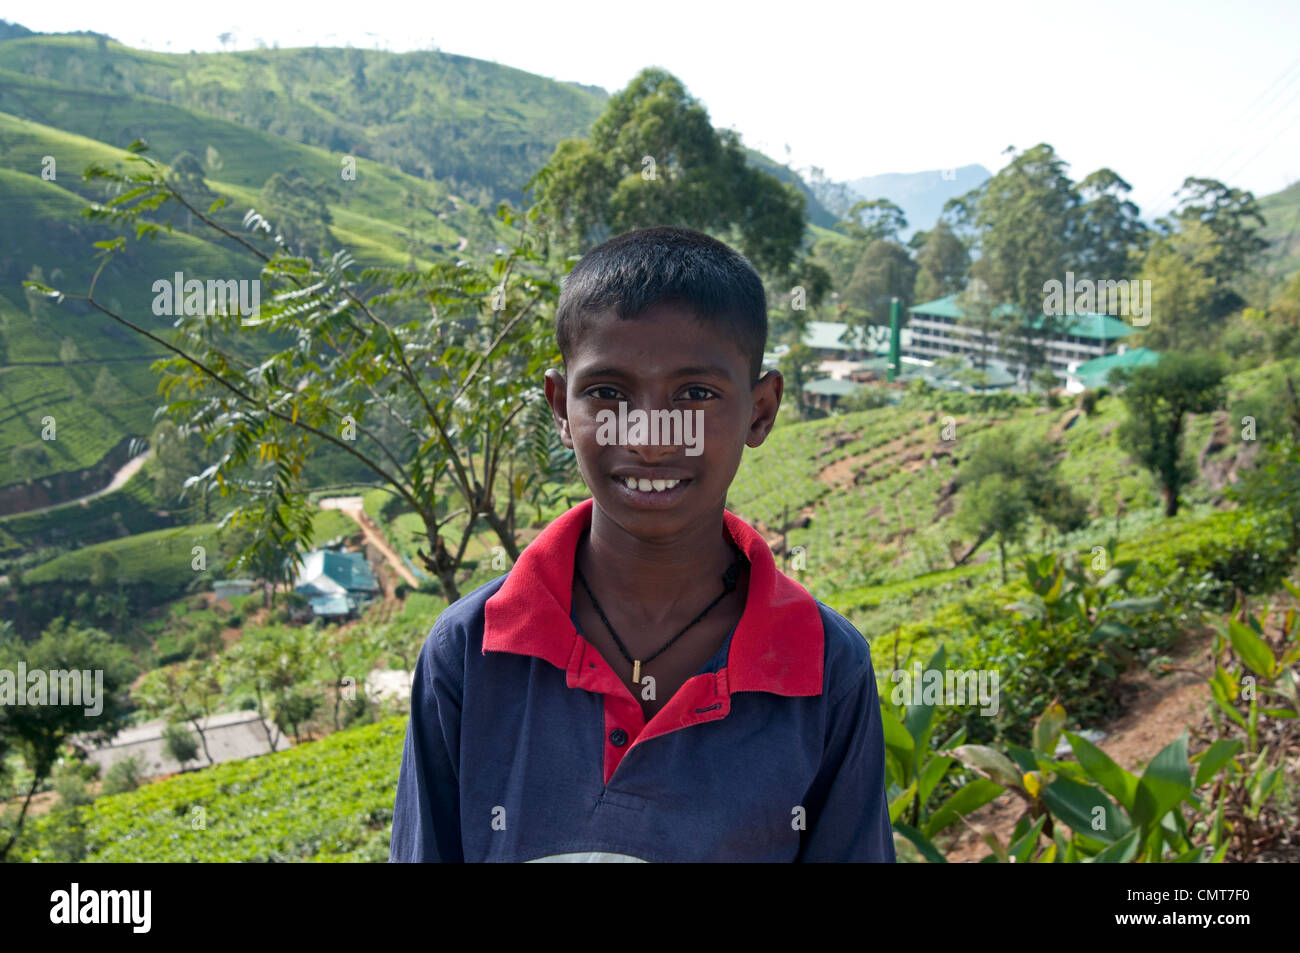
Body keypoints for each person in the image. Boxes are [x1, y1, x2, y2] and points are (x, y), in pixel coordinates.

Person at [389, 225, 895, 862]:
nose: (652, 438)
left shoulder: (825, 669)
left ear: (761, 410)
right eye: (608, 393)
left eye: (695, 394)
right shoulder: (469, 652)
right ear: (559, 407)